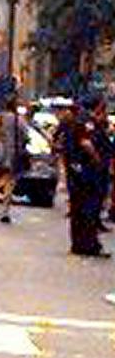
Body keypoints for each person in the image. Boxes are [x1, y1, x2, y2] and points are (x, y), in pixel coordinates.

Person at [58, 88, 108, 257]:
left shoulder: (78, 120)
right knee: (89, 208)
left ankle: (79, 243)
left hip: (79, 172)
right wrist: (98, 160)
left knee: (79, 208)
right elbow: (86, 143)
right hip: (88, 174)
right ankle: (88, 244)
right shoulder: (87, 121)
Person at [0, 98, 25, 221]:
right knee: (9, 183)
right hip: (13, 156)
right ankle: (4, 212)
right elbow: (24, 136)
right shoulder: (19, 120)